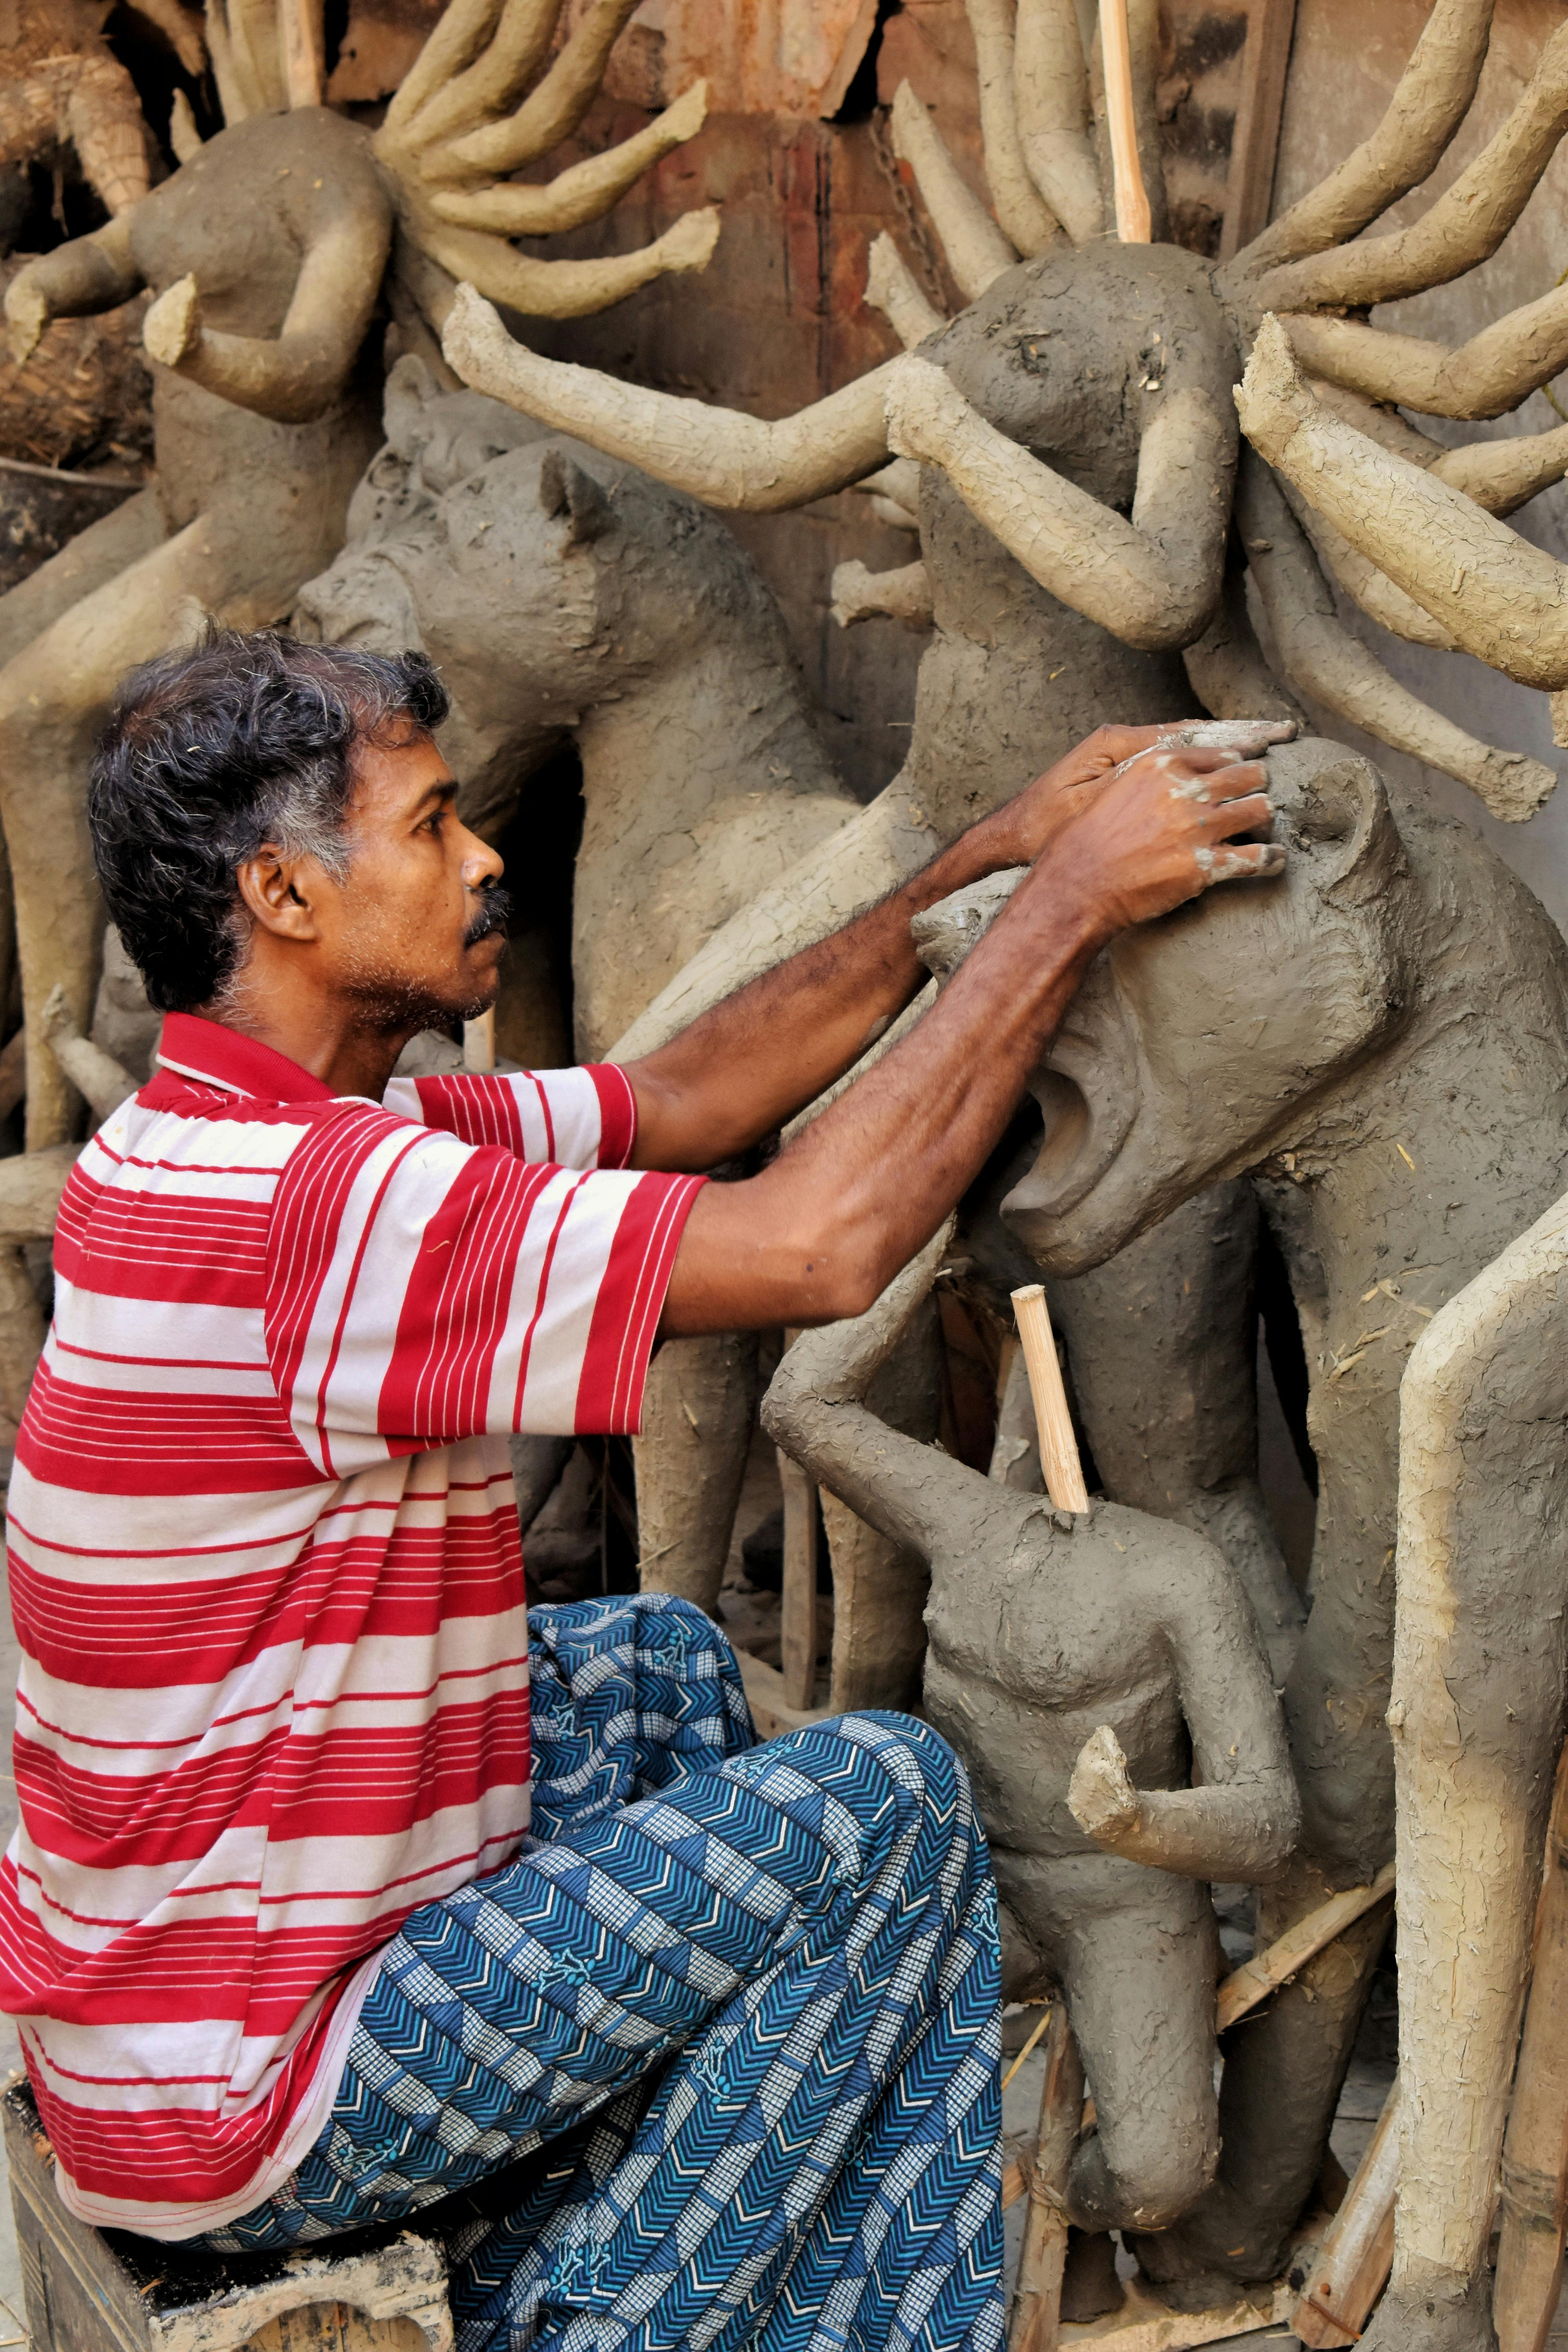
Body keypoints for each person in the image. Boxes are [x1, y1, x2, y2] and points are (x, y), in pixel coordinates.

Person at [0, 630, 1286, 2351]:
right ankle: (613, 2325)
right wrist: (1066, 914)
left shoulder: (229, 1140)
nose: (484, 860)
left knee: (660, 1666)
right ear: (286, 897)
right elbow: (818, 1243)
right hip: (247, 2092)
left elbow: (687, 1097)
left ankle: (629, 2242)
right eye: (433, 825)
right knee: (883, 1803)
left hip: (168, 2012)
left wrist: (983, 861)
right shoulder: (320, 1208)